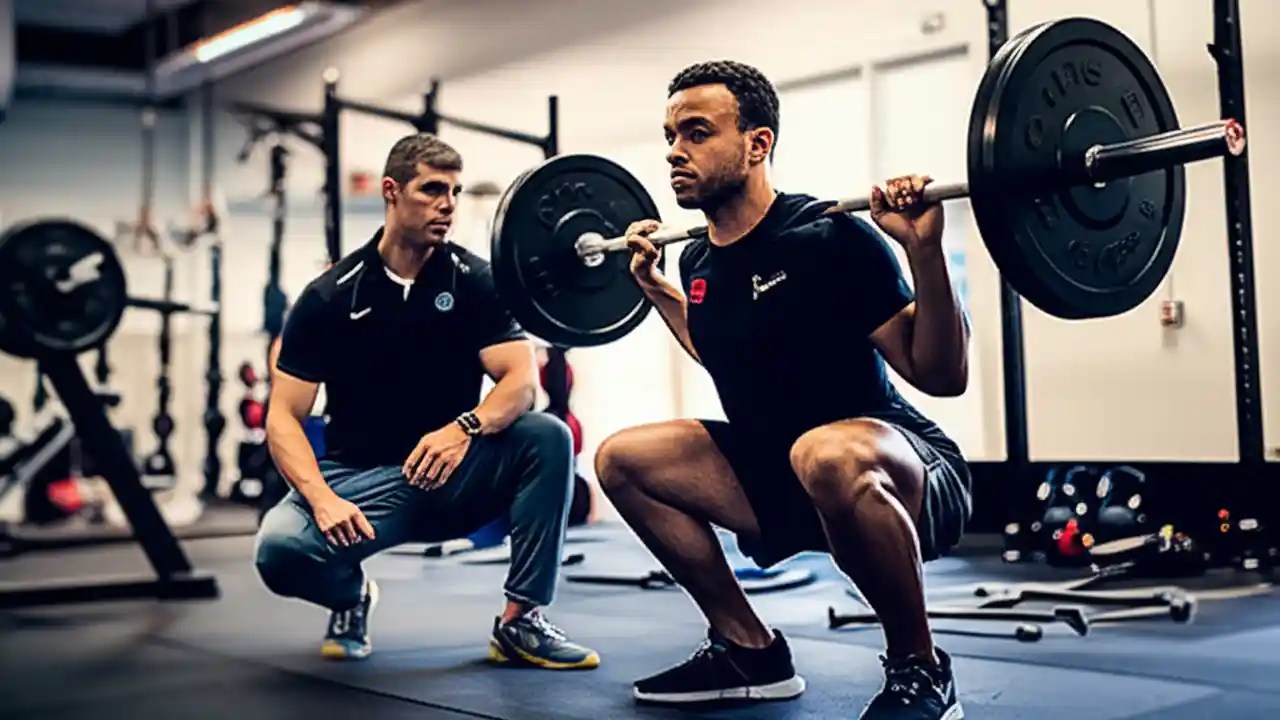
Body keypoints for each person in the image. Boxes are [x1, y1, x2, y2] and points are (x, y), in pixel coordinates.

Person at [595, 61, 972, 719]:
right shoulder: (699, 259)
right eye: (670, 136)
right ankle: (749, 650)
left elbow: (940, 375)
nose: (674, 152)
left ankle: (921, 669)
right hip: (786, 470)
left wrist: (924, 253)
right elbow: (728, 352)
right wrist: (658, 290)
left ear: (757, 143)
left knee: (822, 453)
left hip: (900, 471)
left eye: (696, 133)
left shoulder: (828, 237)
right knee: (622, 459)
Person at [253, 132, 599, 670]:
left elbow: (519, 382)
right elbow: (283, 416)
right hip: (360, 483)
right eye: (433, 189)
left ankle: (520, 621)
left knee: (547, 434)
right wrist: (321, 497)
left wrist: (465, 428)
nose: (448, 205)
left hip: (453, 474)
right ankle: (350, 597)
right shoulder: (329, 297)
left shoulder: (476, 282)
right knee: (277, 550)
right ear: (391, 192)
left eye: (455, 192)